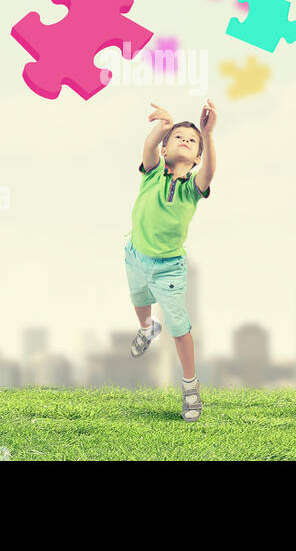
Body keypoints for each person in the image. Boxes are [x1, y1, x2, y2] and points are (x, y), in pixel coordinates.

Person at [126, 101, 216, 422]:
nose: (184, 141)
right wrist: (162, 127)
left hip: (169, 268)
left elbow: (210, 173)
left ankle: (191, 389)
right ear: (165, 151)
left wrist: (208, 133)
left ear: (197, 157)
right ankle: (147, 328)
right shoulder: (152, 173)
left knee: (179, 328)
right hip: (136, 254)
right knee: (138, 300)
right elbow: (148, 147)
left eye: (192, 141)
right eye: (177, 137)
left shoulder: (192, 188)